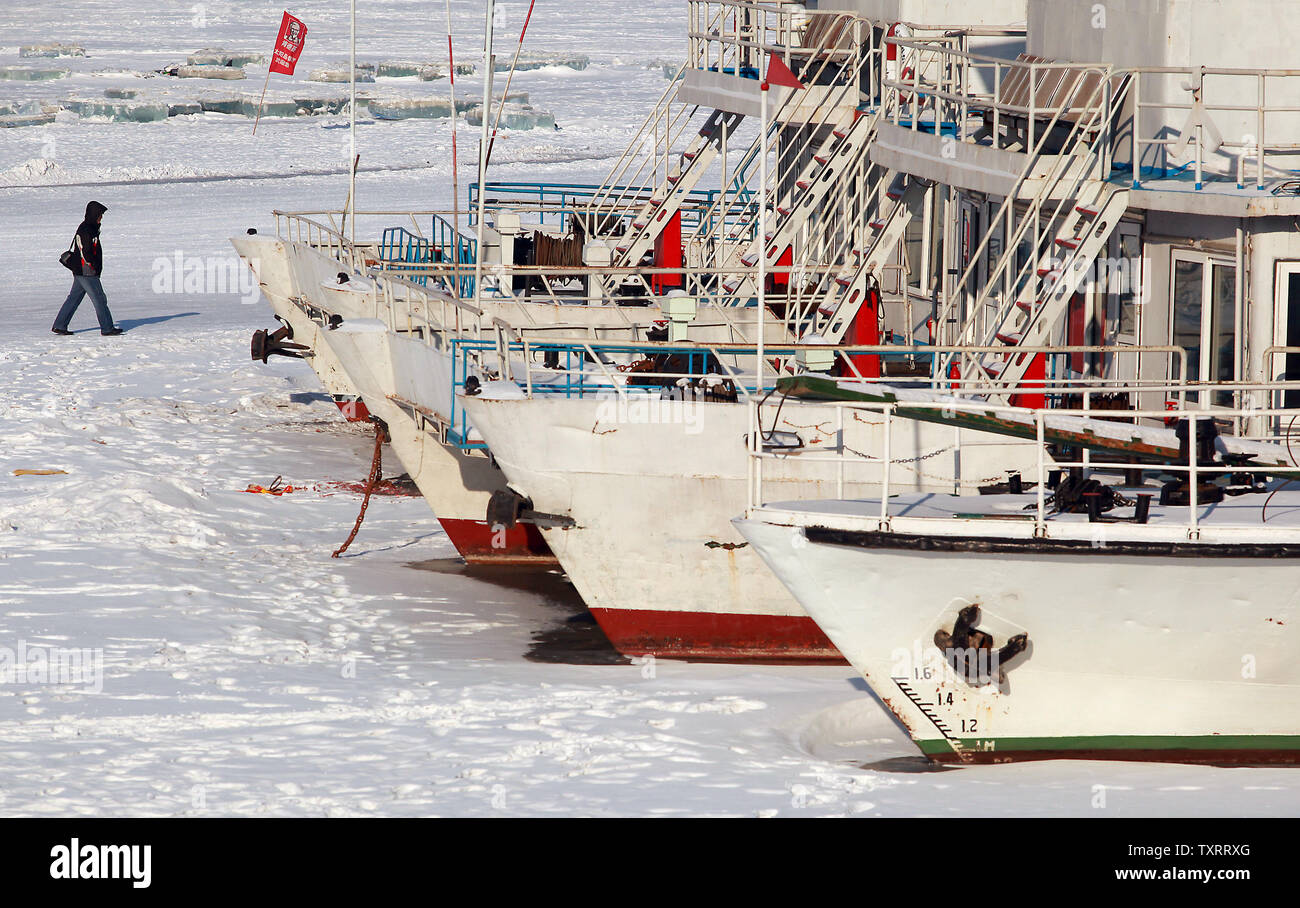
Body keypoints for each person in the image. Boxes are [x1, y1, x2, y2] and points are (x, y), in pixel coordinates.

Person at [52, 201, 122, 336]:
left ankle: (59, 325)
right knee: (99, 299)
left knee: (74, 299)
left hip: (80, 270)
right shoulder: (86, 230)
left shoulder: (90, 227)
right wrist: (93, 266)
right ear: (94, 214)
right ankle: (107, 328)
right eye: (100, 214)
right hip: (87, 271)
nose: (101, 217)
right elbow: (87, 252)